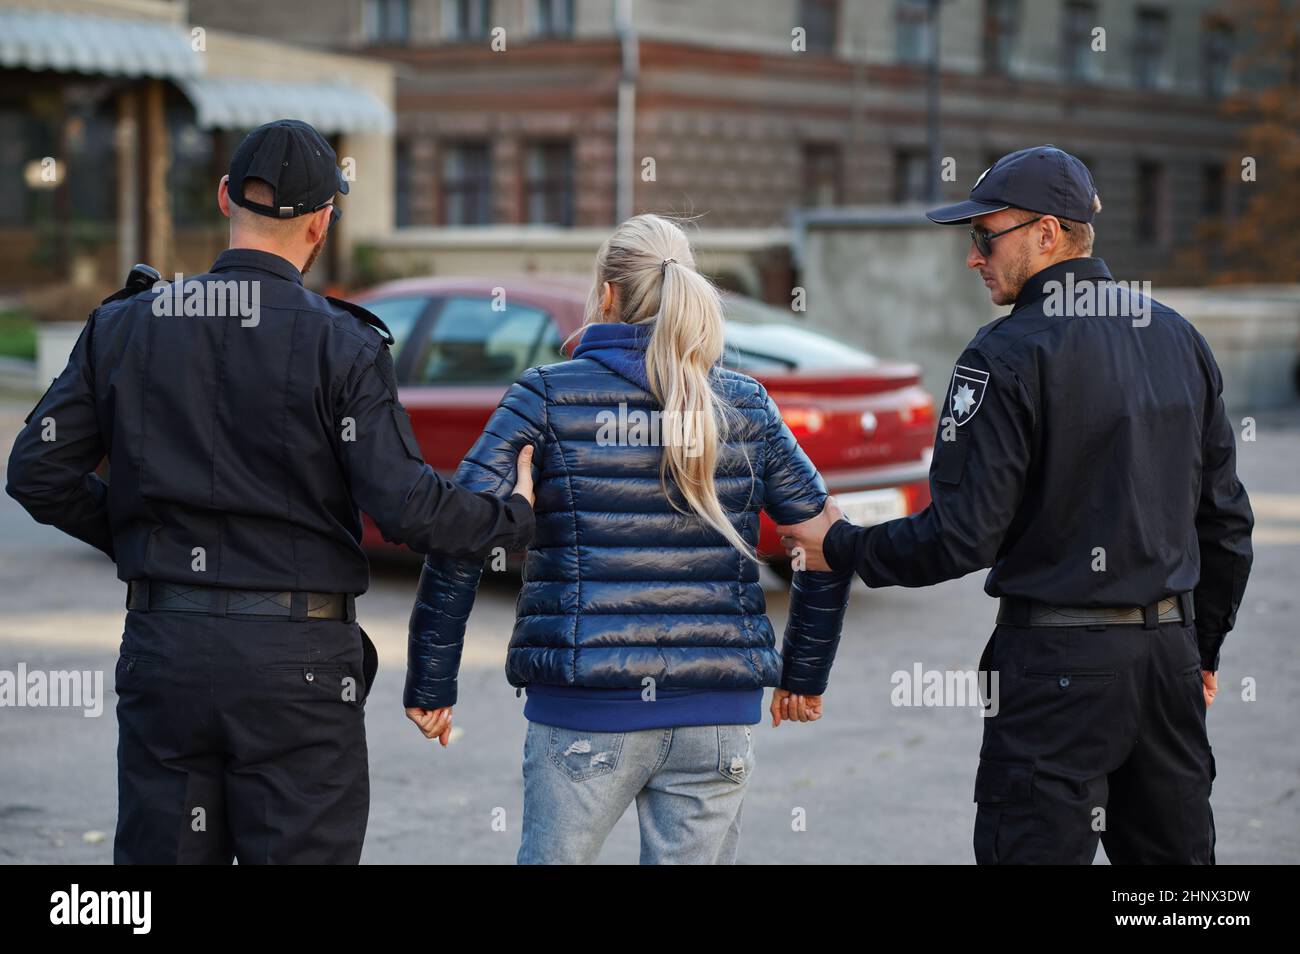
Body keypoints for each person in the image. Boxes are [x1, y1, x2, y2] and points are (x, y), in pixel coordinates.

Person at [5, 118, 535, 864]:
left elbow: (37, 471)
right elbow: (407, 507)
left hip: (169, 649)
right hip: (298, 663)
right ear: (323, 222)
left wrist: (141, 536)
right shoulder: (343, 344)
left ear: (226, 197)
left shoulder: (127, 325)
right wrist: (516, 519)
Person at [777, 145, 1253, 865]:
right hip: (1168, 662)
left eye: (983, 236)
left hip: (1058, 669)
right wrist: (1201, 648)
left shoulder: (1005, 353)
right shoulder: (1177, 337)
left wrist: (840, 545)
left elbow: (962, 538)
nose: (973, 258)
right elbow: (1226, 523)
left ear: (1047, 234)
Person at [404, 213, 852, 864]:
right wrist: (804, 675)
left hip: (587, 715)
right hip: (717, 718)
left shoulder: (544, 396)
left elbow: (462, 534)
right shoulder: (744, 404)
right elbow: (823, 538)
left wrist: (431, 685)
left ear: (607, 295)